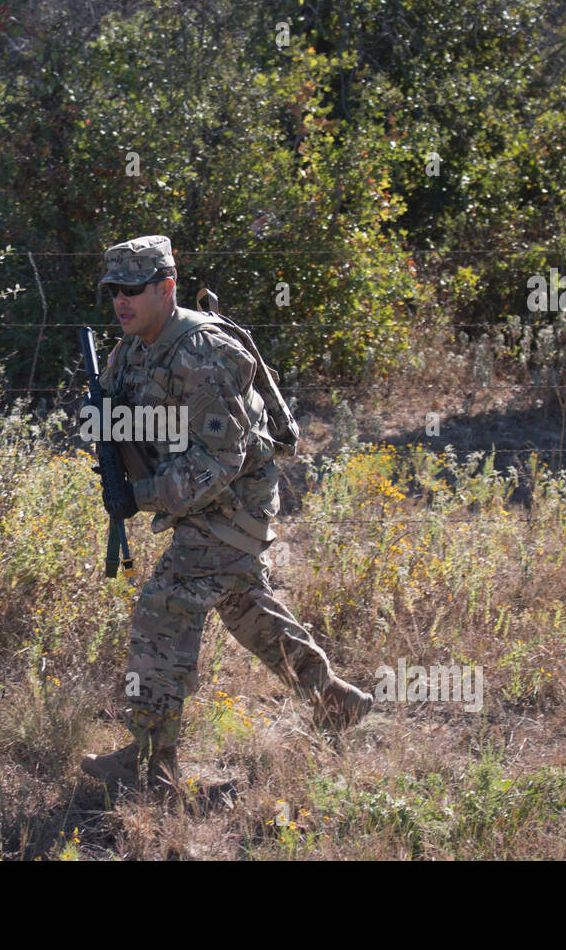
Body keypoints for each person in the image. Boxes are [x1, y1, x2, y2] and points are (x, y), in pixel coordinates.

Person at [80, 234, 374, 794]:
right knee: (243, 604)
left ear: (166, 288)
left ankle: (151, 763)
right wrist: (102, 425)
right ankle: (334, 701)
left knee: (164, 606)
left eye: (132, 289)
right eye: (112, 290)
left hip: (232, 504)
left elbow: (221, 457)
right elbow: (131, 423)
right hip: (199, 500)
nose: (120, 300)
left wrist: (140, 495)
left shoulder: (203, 352)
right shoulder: (133, 347)